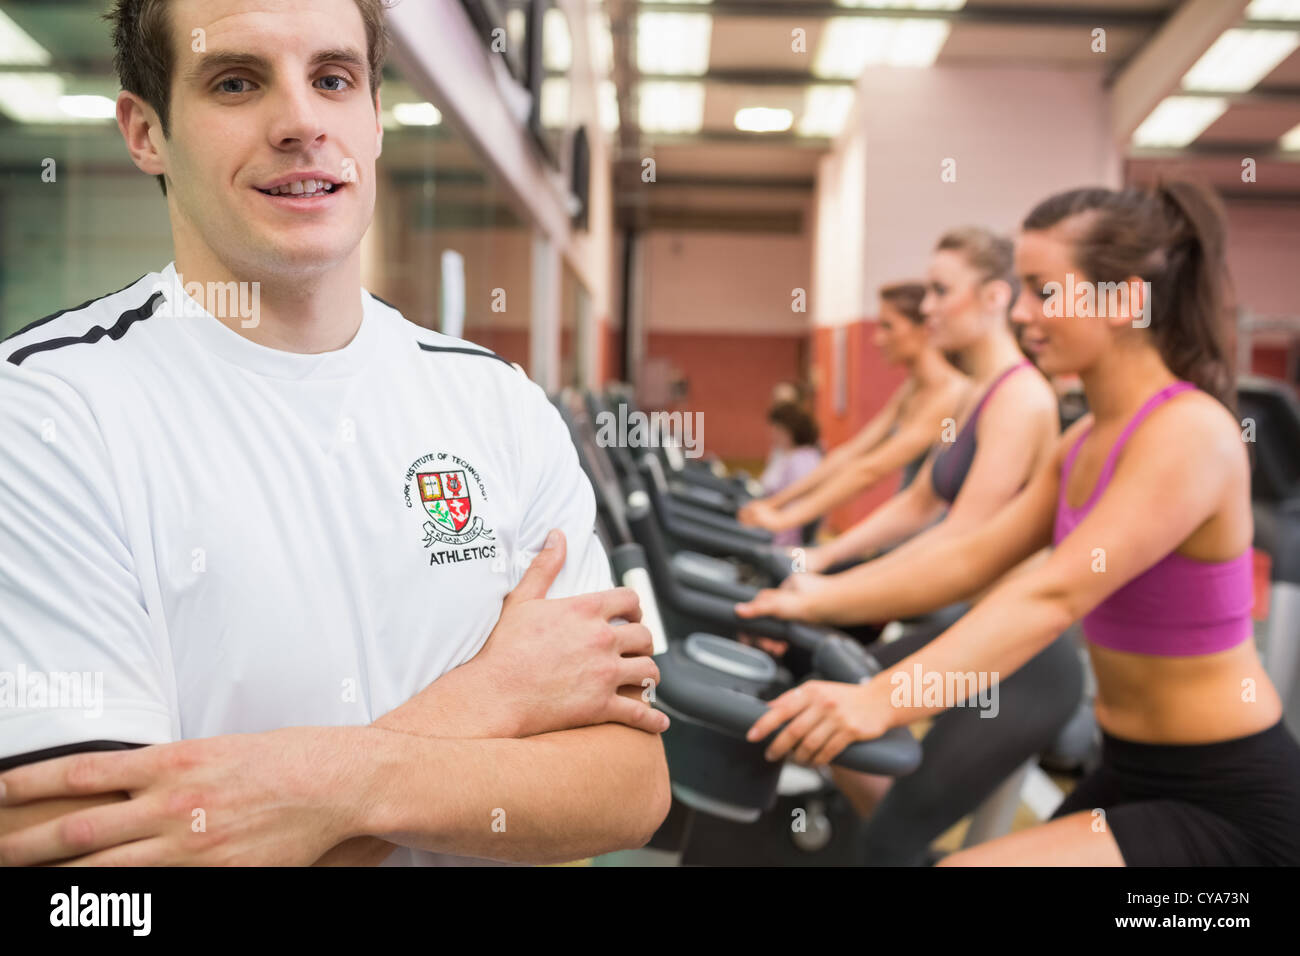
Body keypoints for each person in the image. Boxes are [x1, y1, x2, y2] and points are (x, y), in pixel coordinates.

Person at [0, 0, 670, 867]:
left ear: (376, 117)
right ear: (146, 131)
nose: (302, 122)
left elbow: (630, 784)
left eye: (332, 79)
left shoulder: (496, 403)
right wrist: (489, 699)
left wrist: (327, 791)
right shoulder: (47, 415)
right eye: (237, 81)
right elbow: (98, 881)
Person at [745, 181, 1300, 866]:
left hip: (1229, 801)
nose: (1025, 314)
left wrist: (884, 700)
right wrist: (810, 597)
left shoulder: (1188, 433)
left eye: (1044, 290)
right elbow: (970, 557)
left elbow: (1054, 595)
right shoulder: (1084, 441)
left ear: (1124, 298)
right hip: (1128, 771)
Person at [736, 227, 1081, 866]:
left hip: (1022, 659)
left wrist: (829, 593)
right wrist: (820, 560)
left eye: (941, 292)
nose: (927, 308)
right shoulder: (980, 392)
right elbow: (917, 504)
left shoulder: (1022, 398)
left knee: (894, 837)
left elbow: (961, 541)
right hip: (975, 626)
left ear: (992, 298)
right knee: (818, 687)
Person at [738, 282, 967, 537]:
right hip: (906, 535)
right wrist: (774, 503)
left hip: (932, 541)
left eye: (888, 326)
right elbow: (850, 453)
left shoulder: (951, 394)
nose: (877, 338)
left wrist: (786, 518)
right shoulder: (911, 389)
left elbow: (870, 470)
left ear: (924, 329)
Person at [756, 403, 824, 547]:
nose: (773, 435)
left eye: (777, 430)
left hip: (787, 540)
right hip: (780, 531)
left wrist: (776, 548)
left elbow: (795, 514)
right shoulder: (791, 455)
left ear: (789, 432)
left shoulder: (799, 461)